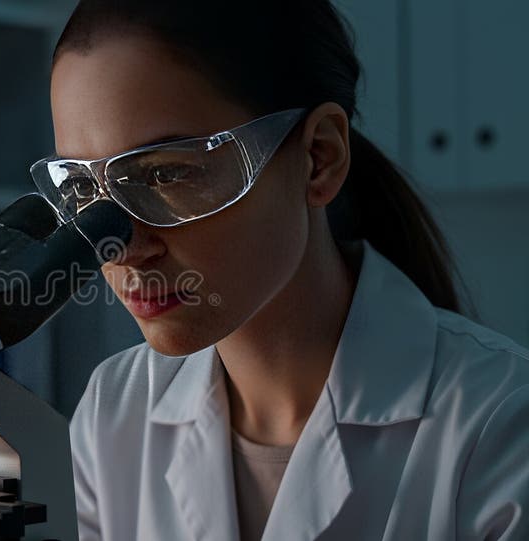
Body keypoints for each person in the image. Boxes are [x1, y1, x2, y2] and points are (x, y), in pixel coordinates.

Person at [28, 1, 529, 539]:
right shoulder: (115, 410)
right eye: (81, 188)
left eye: (165, 173)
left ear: (319, 157)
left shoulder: (500, 425)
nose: (119, 246)